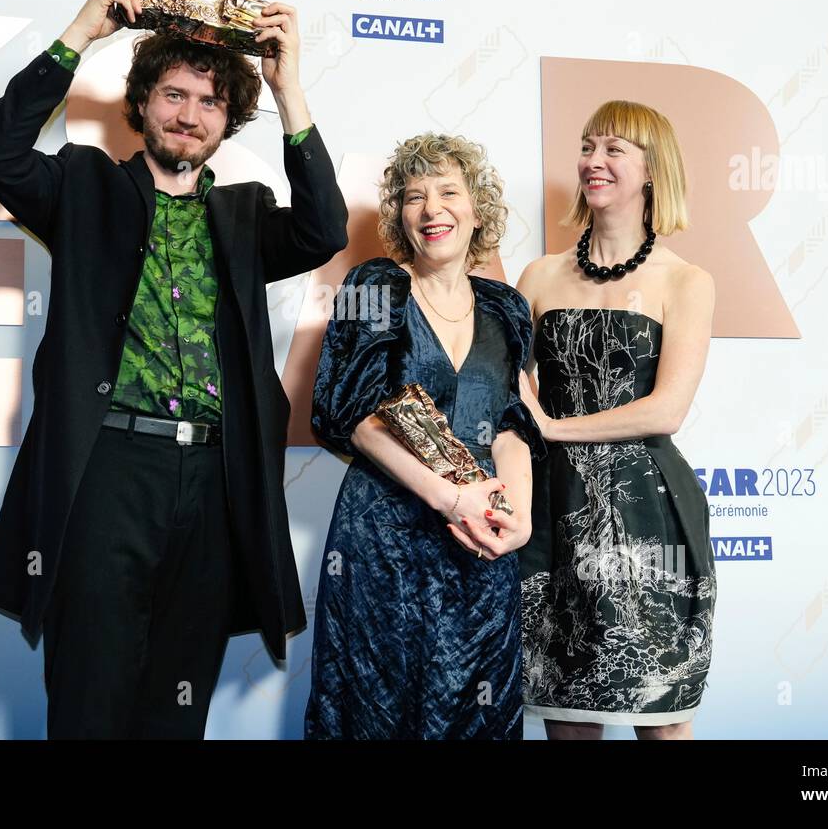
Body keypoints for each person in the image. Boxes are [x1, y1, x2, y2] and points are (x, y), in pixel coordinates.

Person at [0, 0, 348, 738]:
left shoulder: (244, 218)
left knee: (179, 709)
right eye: (174, 93)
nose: (190, 114)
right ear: (142, 103)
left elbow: (326, 230)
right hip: (108, 471)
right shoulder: (83, 188)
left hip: (213, 483)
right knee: (91, 701)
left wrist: (288, 89)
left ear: (227, 121)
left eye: (210, 102)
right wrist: (83, 32)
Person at [306, 133, 544, 739]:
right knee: (377, 706)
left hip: (482, 545)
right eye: (414, 197)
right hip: (386, 539)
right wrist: (448, 497)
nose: (432, 209)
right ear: (400, 215)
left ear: (476, 208)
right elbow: (351, 416)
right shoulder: (373, 286)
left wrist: (518, 515)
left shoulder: (507, 307)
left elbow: (515, 422)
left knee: (475, 709)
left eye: (448, 192)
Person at [516, 99, 716, 740]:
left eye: (614, 149)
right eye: (586, 145)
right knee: (568, 717)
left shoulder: (686, 281)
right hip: (552, 511)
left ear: (653, 170)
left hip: (647, 514)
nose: (593, 161)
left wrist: (552, 428)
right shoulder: (538, 275)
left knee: (660, 718)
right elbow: (514, 396)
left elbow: (668, 410)